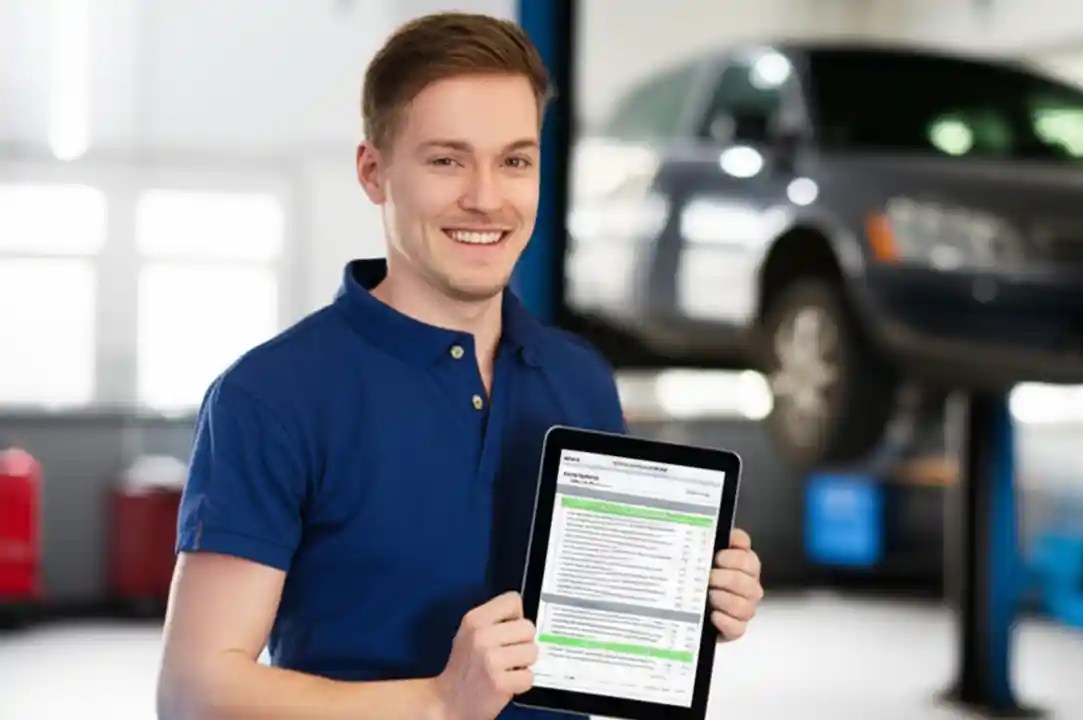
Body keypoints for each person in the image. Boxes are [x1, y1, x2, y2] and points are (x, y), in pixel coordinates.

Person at [156, 12, 764, 720]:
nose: (486, 197)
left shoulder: (579, 378)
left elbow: (589, 647)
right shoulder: (270, 396)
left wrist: (686, 603)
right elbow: (195, 691)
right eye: (447, 160)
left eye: (515, 160)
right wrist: (441, 703)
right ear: (373, 172)